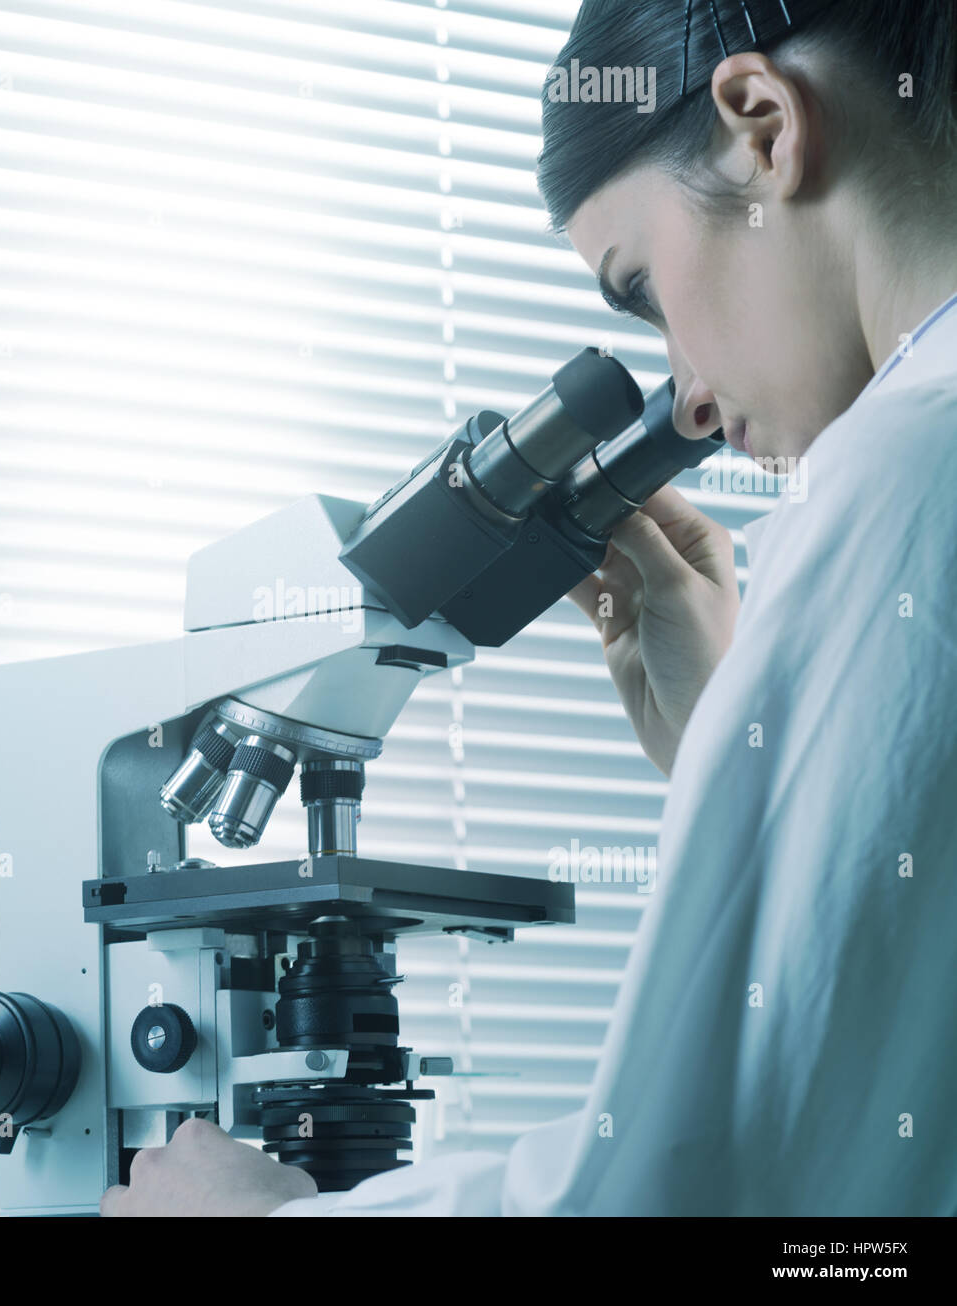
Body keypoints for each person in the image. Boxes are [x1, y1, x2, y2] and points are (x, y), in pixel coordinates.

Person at [100, 0, 957, 1216]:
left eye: (645, 291)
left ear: (762, 127)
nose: (692, 401)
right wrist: (738, 735)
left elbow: (696, 1180)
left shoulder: (904, 464)